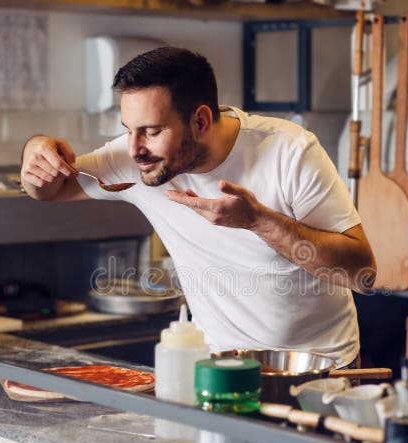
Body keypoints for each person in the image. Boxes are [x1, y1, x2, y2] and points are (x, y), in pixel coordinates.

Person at [20, 47, 376, 367]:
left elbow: (361, 272)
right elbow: (49, 190)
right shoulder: (140, 161)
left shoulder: (290, 152)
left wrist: (257, 221)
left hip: (320, 370)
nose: (134, 148)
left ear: (201, 122)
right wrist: (36, 152)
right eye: (128, 129)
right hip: (218, 371)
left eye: (152, 131)